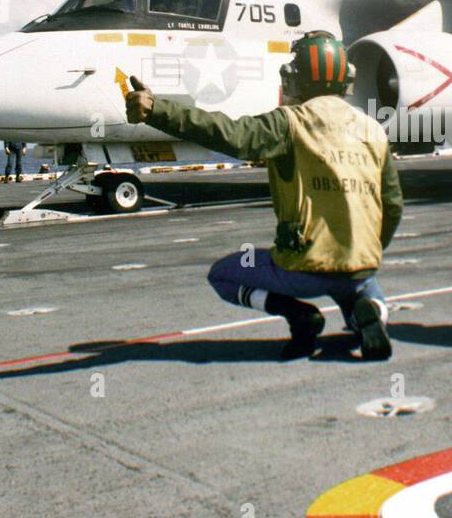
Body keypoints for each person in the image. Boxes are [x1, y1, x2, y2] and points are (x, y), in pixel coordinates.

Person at [125, 31, 403, 361]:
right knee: (367, 295)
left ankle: (299, 315)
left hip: (302, 268)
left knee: (223, 275)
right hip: (359, 267)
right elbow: (393, 205)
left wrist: (158, 110)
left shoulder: (290, 122)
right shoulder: (374, 130)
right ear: (347, 79)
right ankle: (368, 315)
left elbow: (228, 133)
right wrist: (368, 248)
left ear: (299, 78)